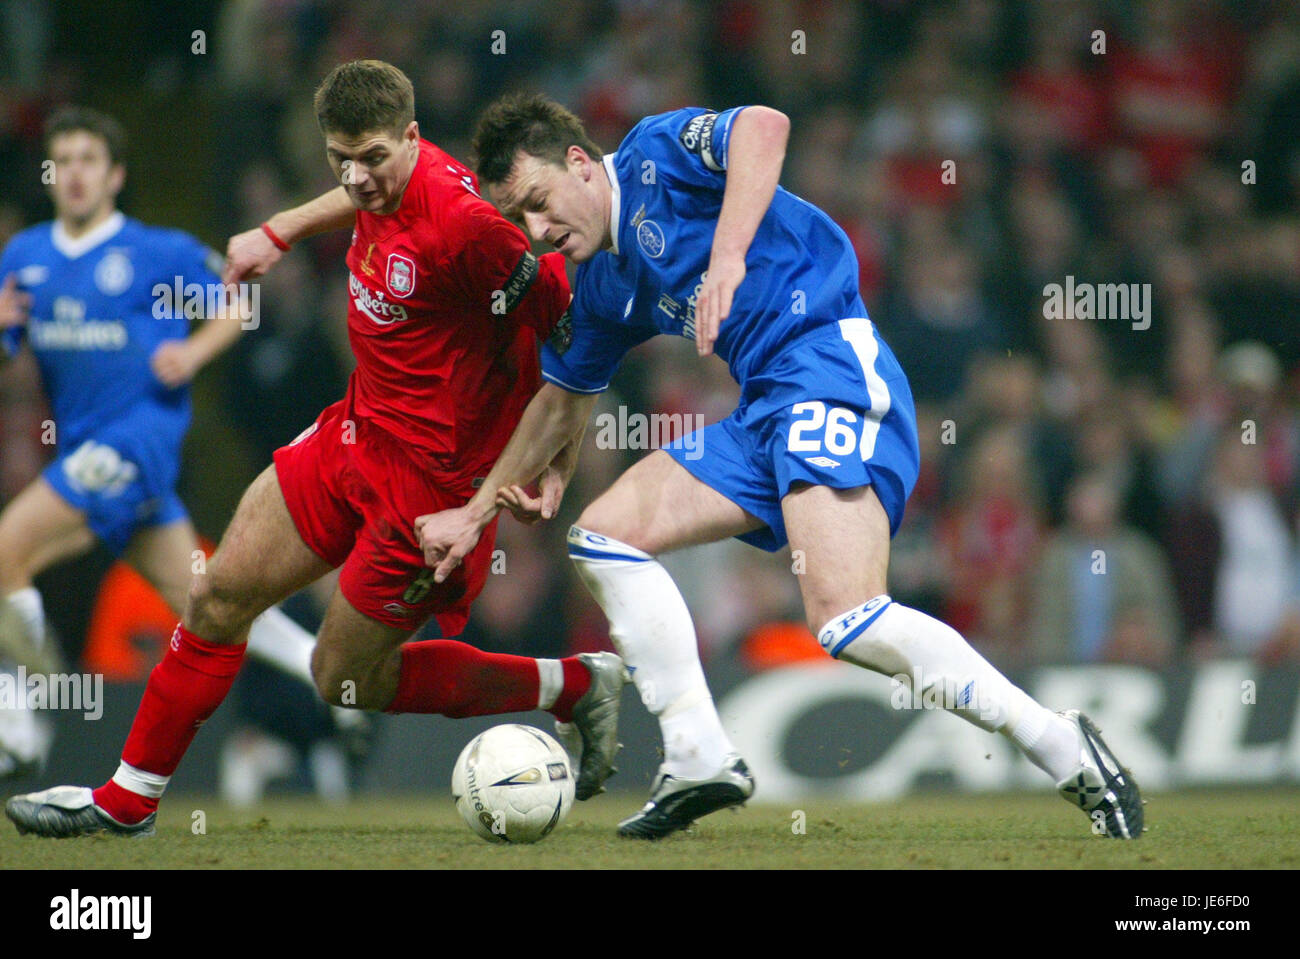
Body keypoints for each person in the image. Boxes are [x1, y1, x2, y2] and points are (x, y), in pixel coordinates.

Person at [414, 94, 1144, 839]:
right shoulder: (600, 285)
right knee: (602, 536)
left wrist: (728, 253)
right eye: (520, 223)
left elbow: (765, 126)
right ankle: (699, 754)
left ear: (577, 163)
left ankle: (1061, 745)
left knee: (847, 618)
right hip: (764, 407)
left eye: (538, 202)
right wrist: (477, 512)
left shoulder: (651, 153)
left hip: (829, 362)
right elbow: (562, 400)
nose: (537, 232)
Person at [5, 63, 623, 838]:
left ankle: (571, 683)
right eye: (341, 159)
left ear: (412, 138)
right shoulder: (382, 180)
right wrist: (280, 229)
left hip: (431, 490)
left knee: (344, 680)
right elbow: (356, 193)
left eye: (371, 156)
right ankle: (128, 799)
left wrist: (544, 468)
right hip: (353, 434)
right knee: (217, 595)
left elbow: (574, 340)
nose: (357, 178)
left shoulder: (475, 230)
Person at [0, 106, 325, 778]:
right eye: (65, 161)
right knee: (208, 601)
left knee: (4, 552)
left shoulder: (155, 252)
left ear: (115, 174)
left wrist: (194, 352)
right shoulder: (25, 258)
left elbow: (239, 305)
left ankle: (27, 712)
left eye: (92, 159)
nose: (78, 174)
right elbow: (9, 359)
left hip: (136, 441)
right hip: (86, 451)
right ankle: (325, 676)